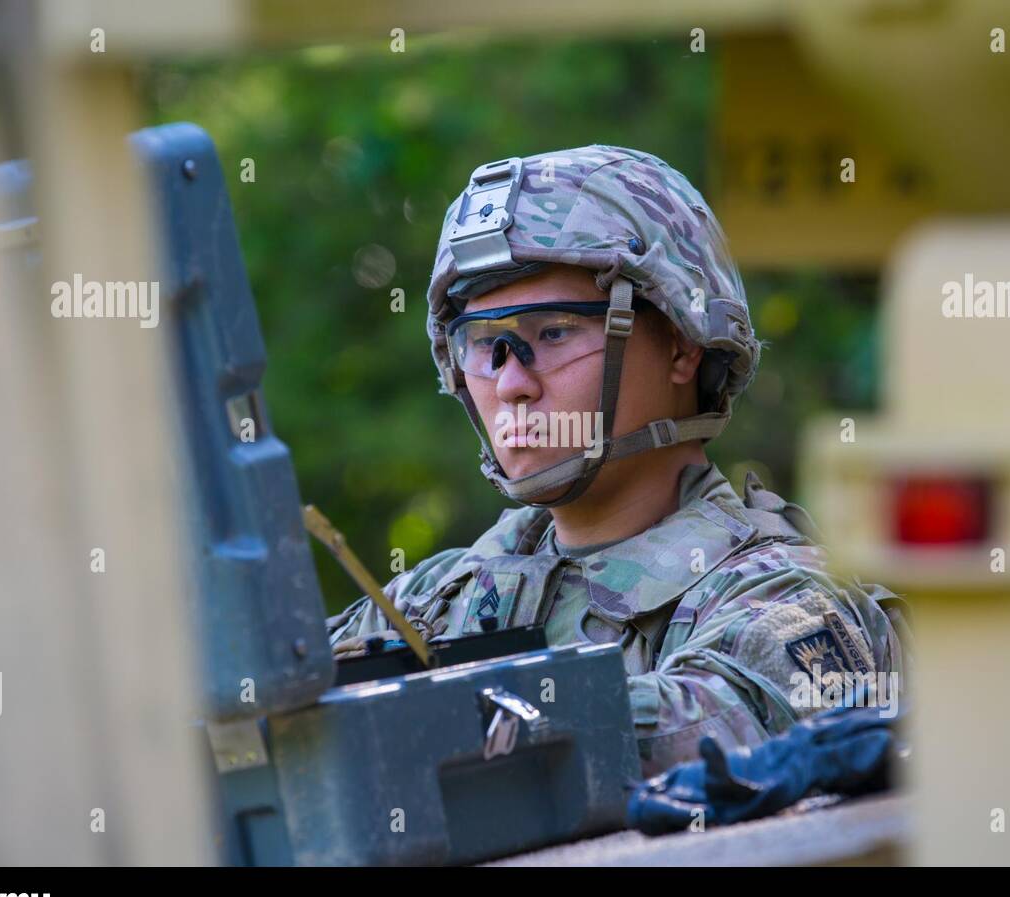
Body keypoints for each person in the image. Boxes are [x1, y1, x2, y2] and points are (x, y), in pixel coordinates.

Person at [328, 145, 909, 777]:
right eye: (485, 344)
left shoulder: (789, 594)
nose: (512, 384)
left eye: (553, 333)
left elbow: (707, 727)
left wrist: (426, 722)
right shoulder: (433, 598)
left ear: (682, 347)